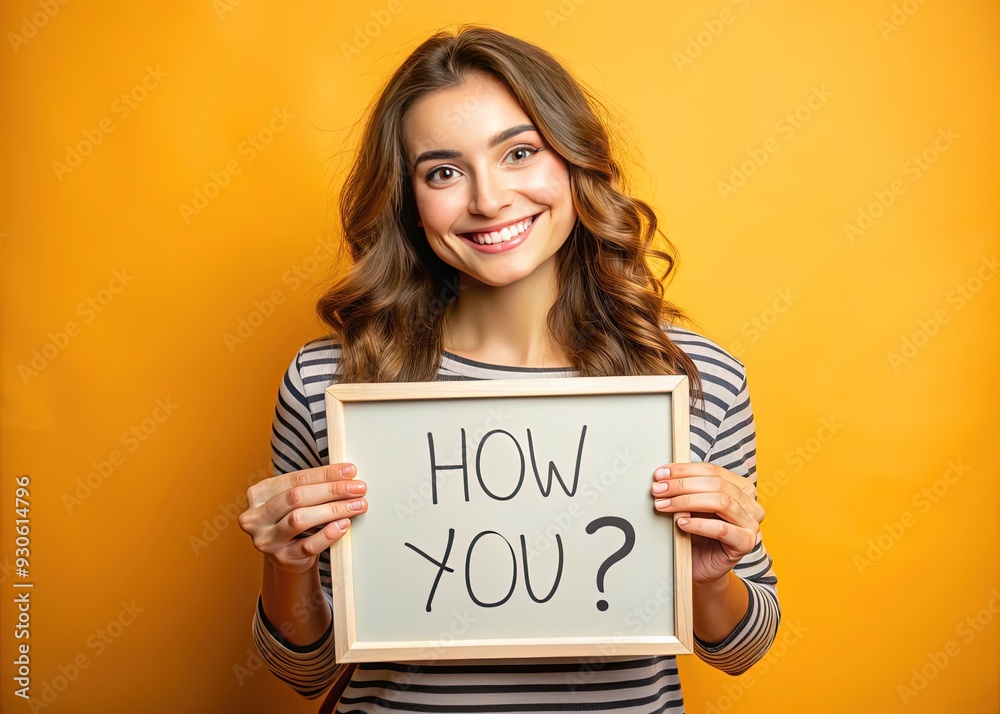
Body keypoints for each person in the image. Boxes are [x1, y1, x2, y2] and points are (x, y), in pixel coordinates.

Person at [238, 24, 779, 713]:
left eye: (519, 153)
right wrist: (285, 566)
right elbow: (305, 671)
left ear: (576, 161)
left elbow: (740, 649)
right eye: (443, 172)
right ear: (408, 200)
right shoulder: (331, 383)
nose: (488, 200)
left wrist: (706, 577)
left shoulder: (695, 379)